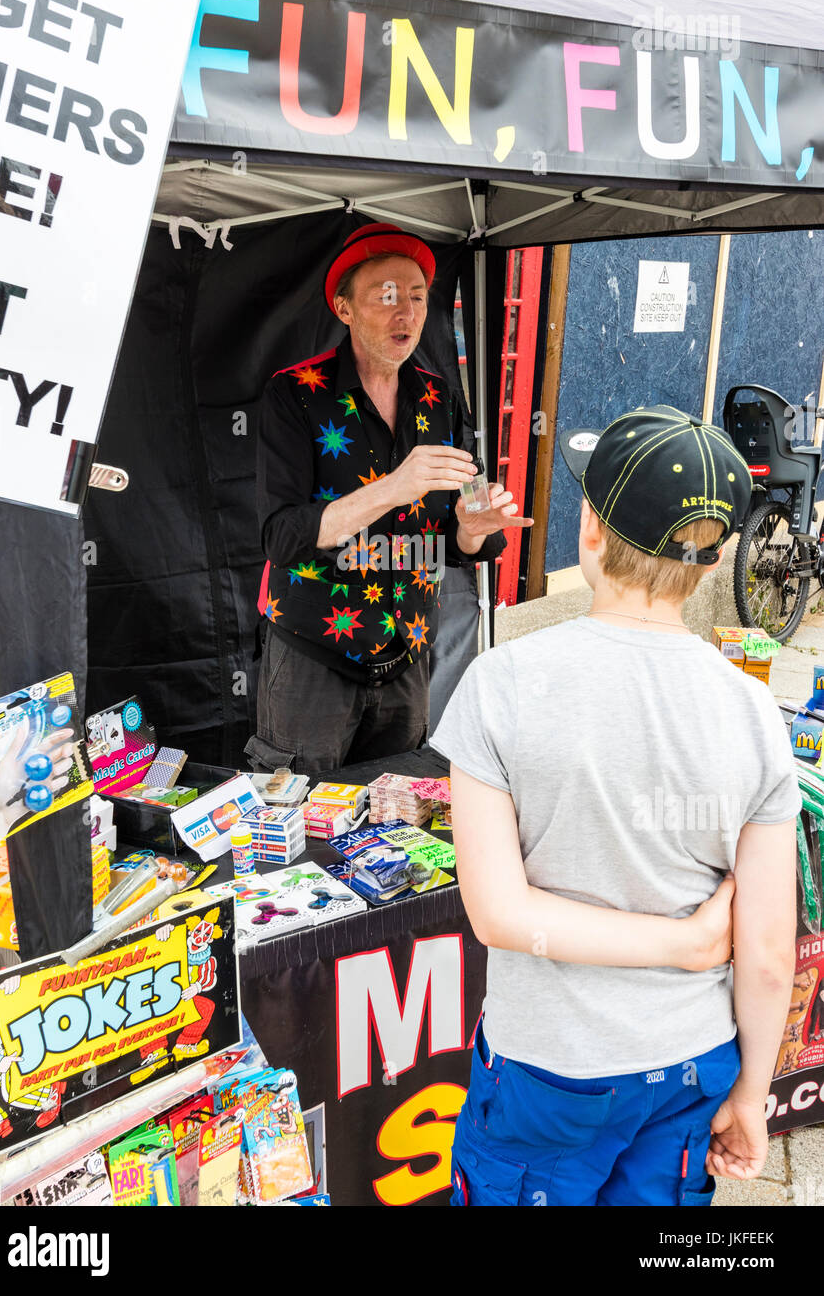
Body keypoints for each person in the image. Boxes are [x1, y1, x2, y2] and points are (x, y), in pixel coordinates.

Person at [431, 405, 800, 1206]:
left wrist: (690, 946)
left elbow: (498, 914)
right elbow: (770, 954)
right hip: (693, 1067)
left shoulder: (503, 682)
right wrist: (751, 1098)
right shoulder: (752, 712)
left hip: (551, 1067)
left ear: (590, 530)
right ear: (710, 562)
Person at [246, 222, 533, 775]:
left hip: (407, 656)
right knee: (302, 824)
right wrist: (395, 487)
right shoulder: (296, 394)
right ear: (344, 308)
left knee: (398, 828)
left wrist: (477, 525)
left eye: (418, 298)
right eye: (386, 297)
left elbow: (464, 534)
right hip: (315, 655)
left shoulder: (441, 397)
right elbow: (282, 537)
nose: (407, 313)